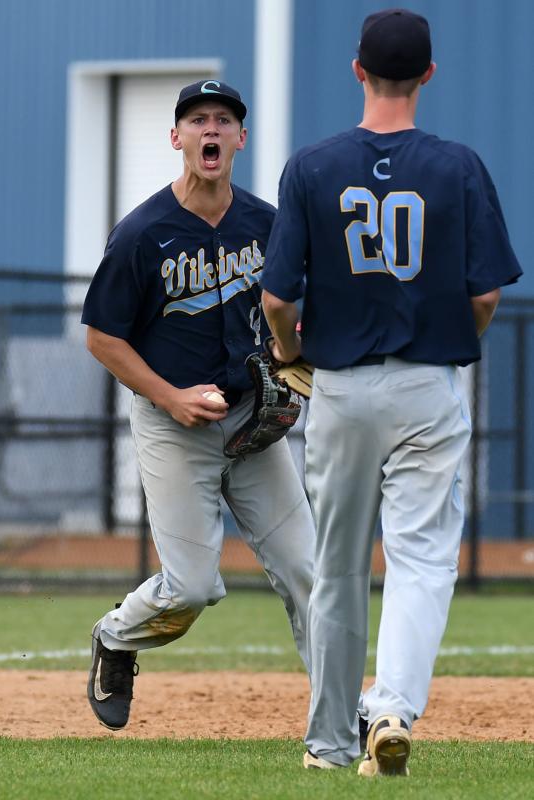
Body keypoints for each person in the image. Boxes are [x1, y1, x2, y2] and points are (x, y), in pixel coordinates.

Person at [261, 8, 522, 777]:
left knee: (337, 566)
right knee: (421, 561)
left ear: (357, 70)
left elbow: (278, 298)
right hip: (426, 385)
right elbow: (485, 294)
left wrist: (289, 356)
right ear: (429, 76)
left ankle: (330, 743)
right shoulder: (458, 166)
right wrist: (454, 343)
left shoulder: (311, 166)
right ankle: (394, 710)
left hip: (339, 385)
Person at [81, 79, 315, 731]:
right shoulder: (142, 233)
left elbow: (289, 318)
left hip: (251, 424)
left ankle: (340, 713)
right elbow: (102, 335)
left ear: (240, 138)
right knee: (189, 588)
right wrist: (169, 396)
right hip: (172, 424)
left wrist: (291, 369)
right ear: (177, 139)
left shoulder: (267, 225)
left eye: (222, 120)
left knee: (309, 573)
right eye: (196, 120)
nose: (209, 129)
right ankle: (117, 638)